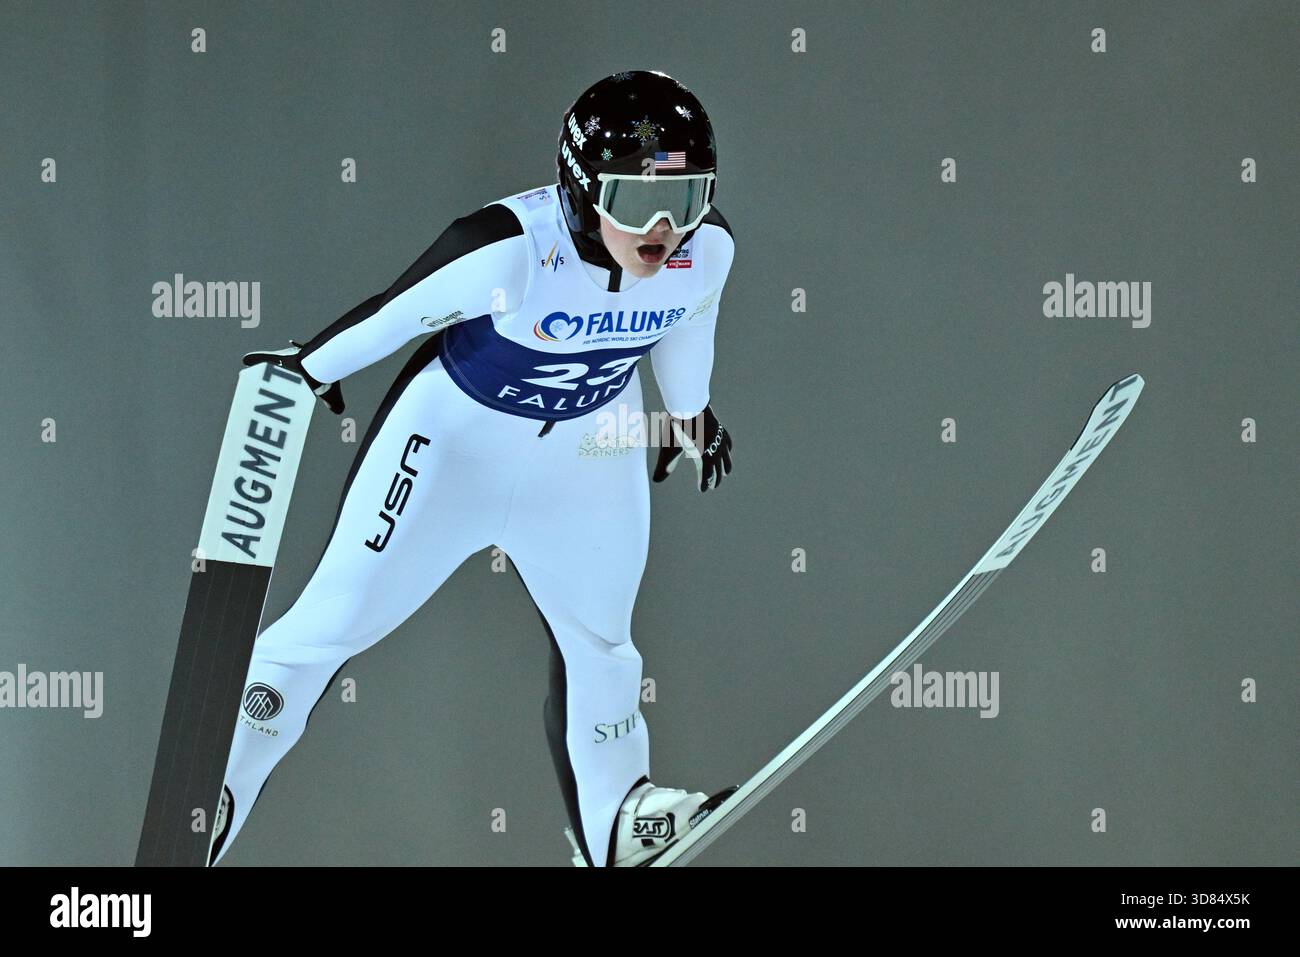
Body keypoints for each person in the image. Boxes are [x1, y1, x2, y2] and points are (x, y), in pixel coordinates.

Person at [207, 70, 737, 867]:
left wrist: (690, 412)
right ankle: (218, 780)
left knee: (602, 642)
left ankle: (618, 815)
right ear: (583, 188)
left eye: (688, 198)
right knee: (335, 621)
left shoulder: (707, 251)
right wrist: (304, 369)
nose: (665, 228)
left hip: (586, 459)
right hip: (454, 448)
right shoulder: (510, 247)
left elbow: (689, 323)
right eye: (635, 202)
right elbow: (392, 313)